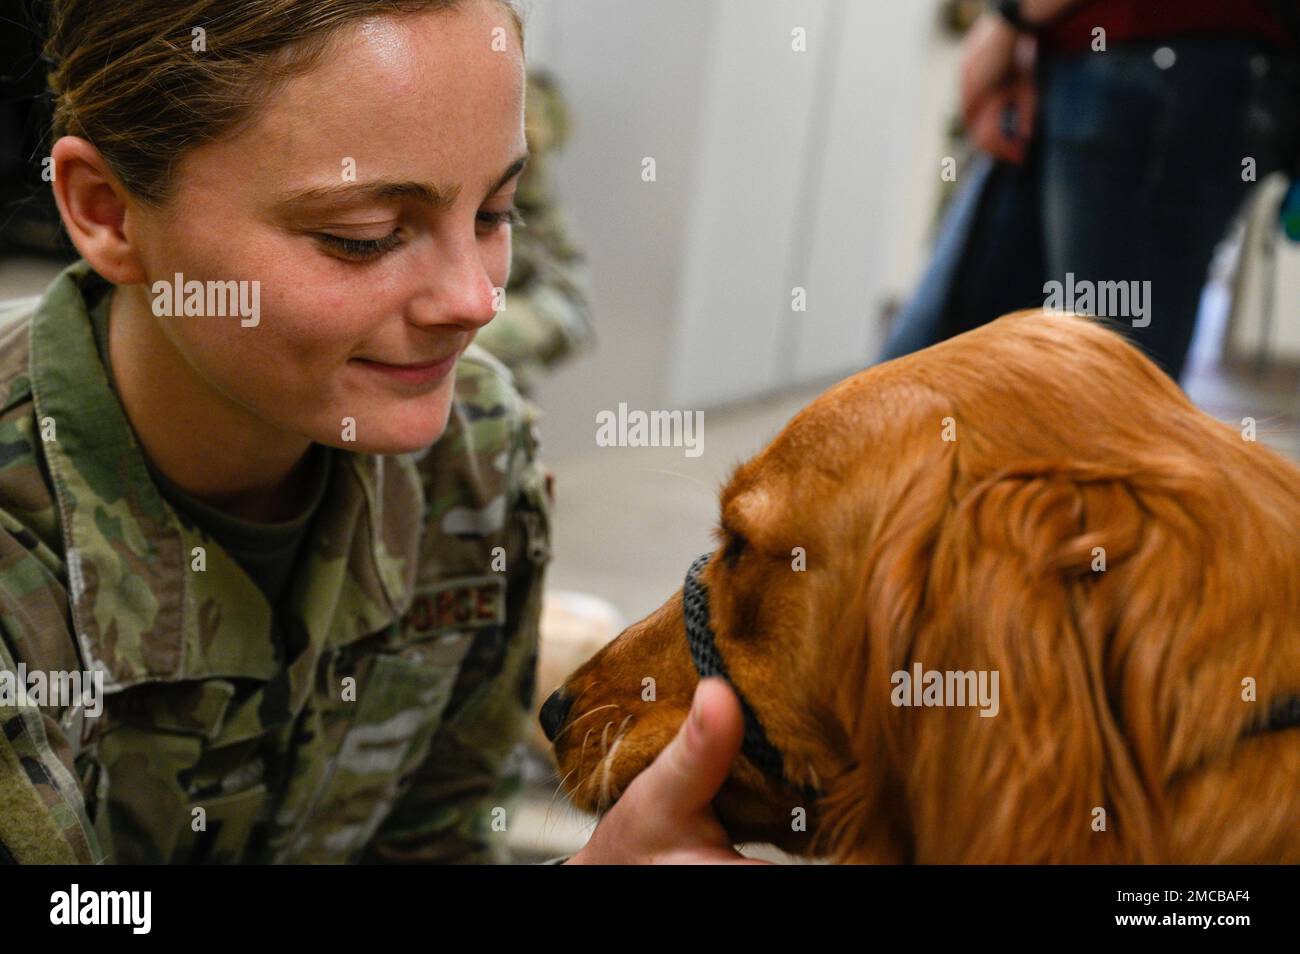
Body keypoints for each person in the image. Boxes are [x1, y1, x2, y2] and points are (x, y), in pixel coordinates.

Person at [0, 0, 756, 866]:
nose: (475, 299)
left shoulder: (472, 453)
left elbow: (441, 842)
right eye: (362, 237)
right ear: (107, 211)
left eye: (495, 213)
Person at [884, 0, 1300, 383]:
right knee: (932, 373)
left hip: (1152, 65)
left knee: (1102, 396)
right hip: (1095, 59)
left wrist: (1011, 17)